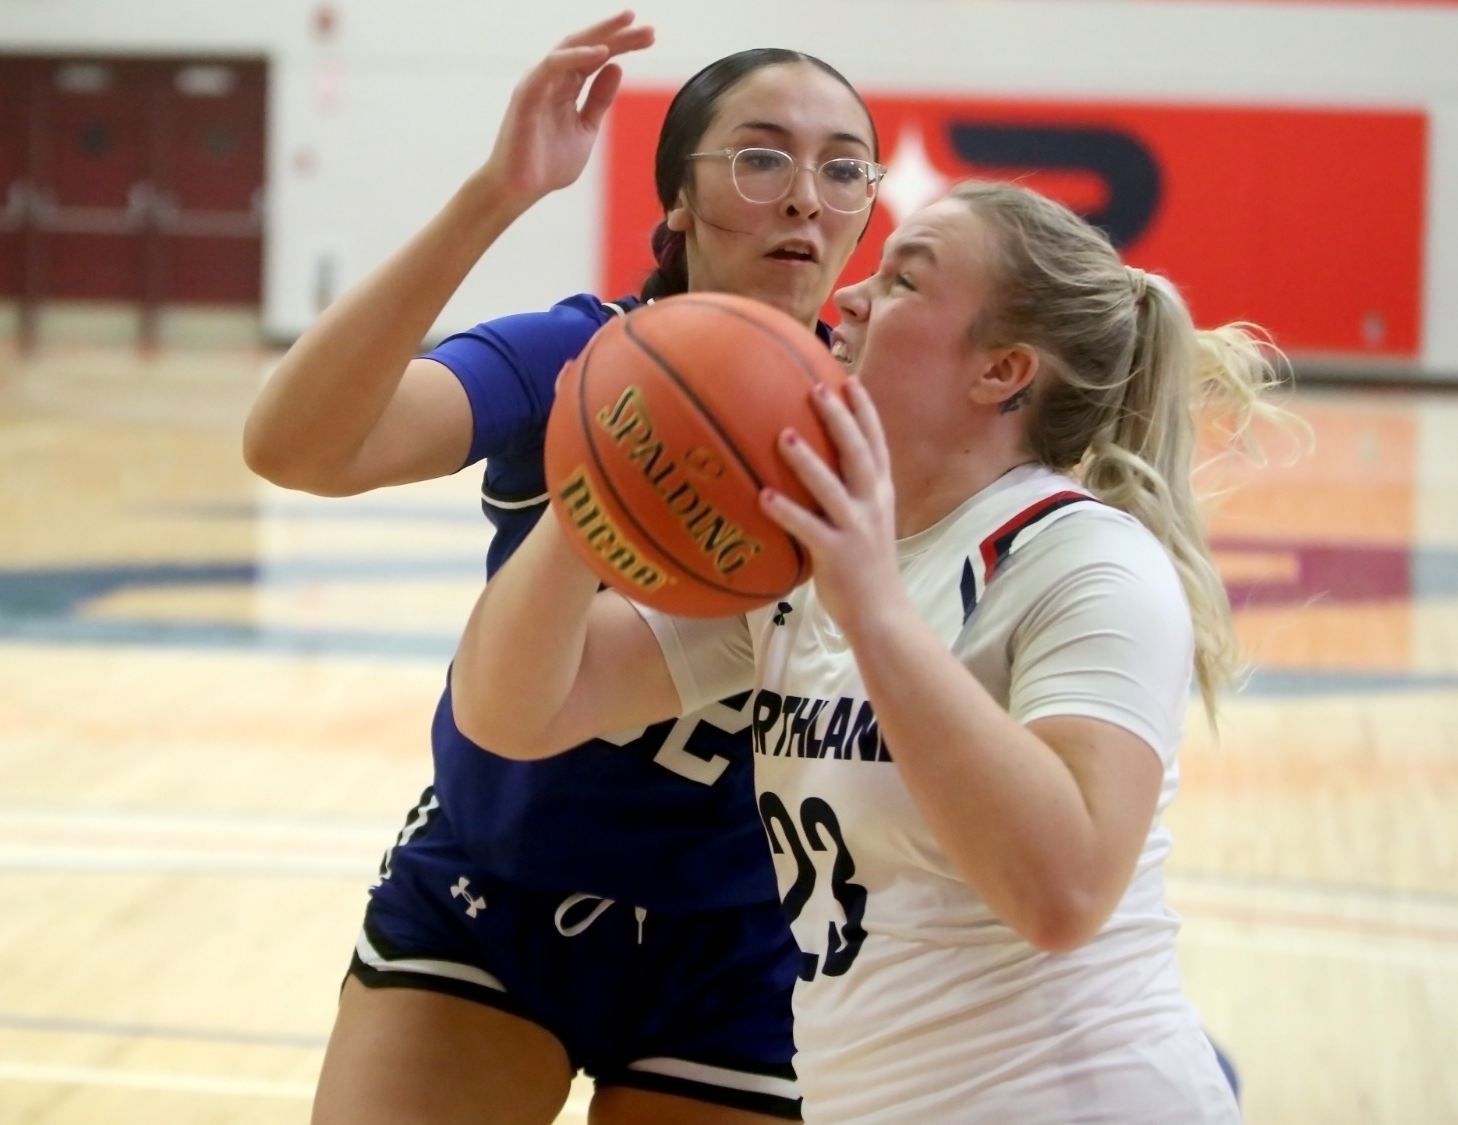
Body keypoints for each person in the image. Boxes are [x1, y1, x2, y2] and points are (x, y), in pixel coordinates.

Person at [451, 179, 1288, 1123]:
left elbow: (1065, 890)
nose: (849, 295)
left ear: (1002, 370)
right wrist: (586, 488)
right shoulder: (812, 555)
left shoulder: (1088, 561)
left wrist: (876, 613)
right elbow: (515, 712)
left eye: (903, 284)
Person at [246, 13, 887, 1122]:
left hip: (743, 934)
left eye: (841, 169)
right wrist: (496, 194)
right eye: (761, 155)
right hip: (490, 885)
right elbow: (298, 447)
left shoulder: (875, 430)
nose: (803, 197)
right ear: (675, 200)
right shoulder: (571, 356)